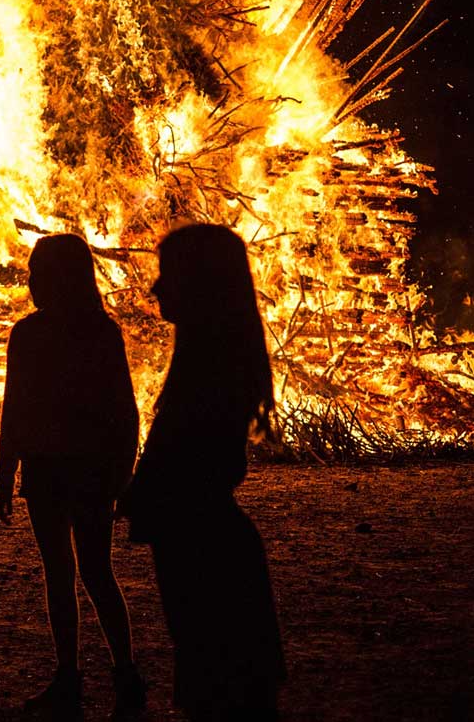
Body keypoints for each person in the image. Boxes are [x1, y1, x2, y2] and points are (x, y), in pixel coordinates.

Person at [118, 223, 285, 722]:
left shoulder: (211, 373)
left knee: (221, 694)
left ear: (200, 283)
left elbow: (190, 465)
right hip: (205, 544)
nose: (155, 287)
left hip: (206, 551)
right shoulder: (211, 362)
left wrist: (133, 495)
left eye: (167, 274)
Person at [0, 233, 144, 722]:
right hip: (67, 468)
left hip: (70, 469)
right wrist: (6, 468)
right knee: (78, 572)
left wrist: (123, 469)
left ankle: (98, 674)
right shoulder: (92, 331)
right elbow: (15, 405)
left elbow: (122, 408)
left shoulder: (67, 334)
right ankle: (102, 675)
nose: (33, 284)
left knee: (80, 572)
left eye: (39, 275)